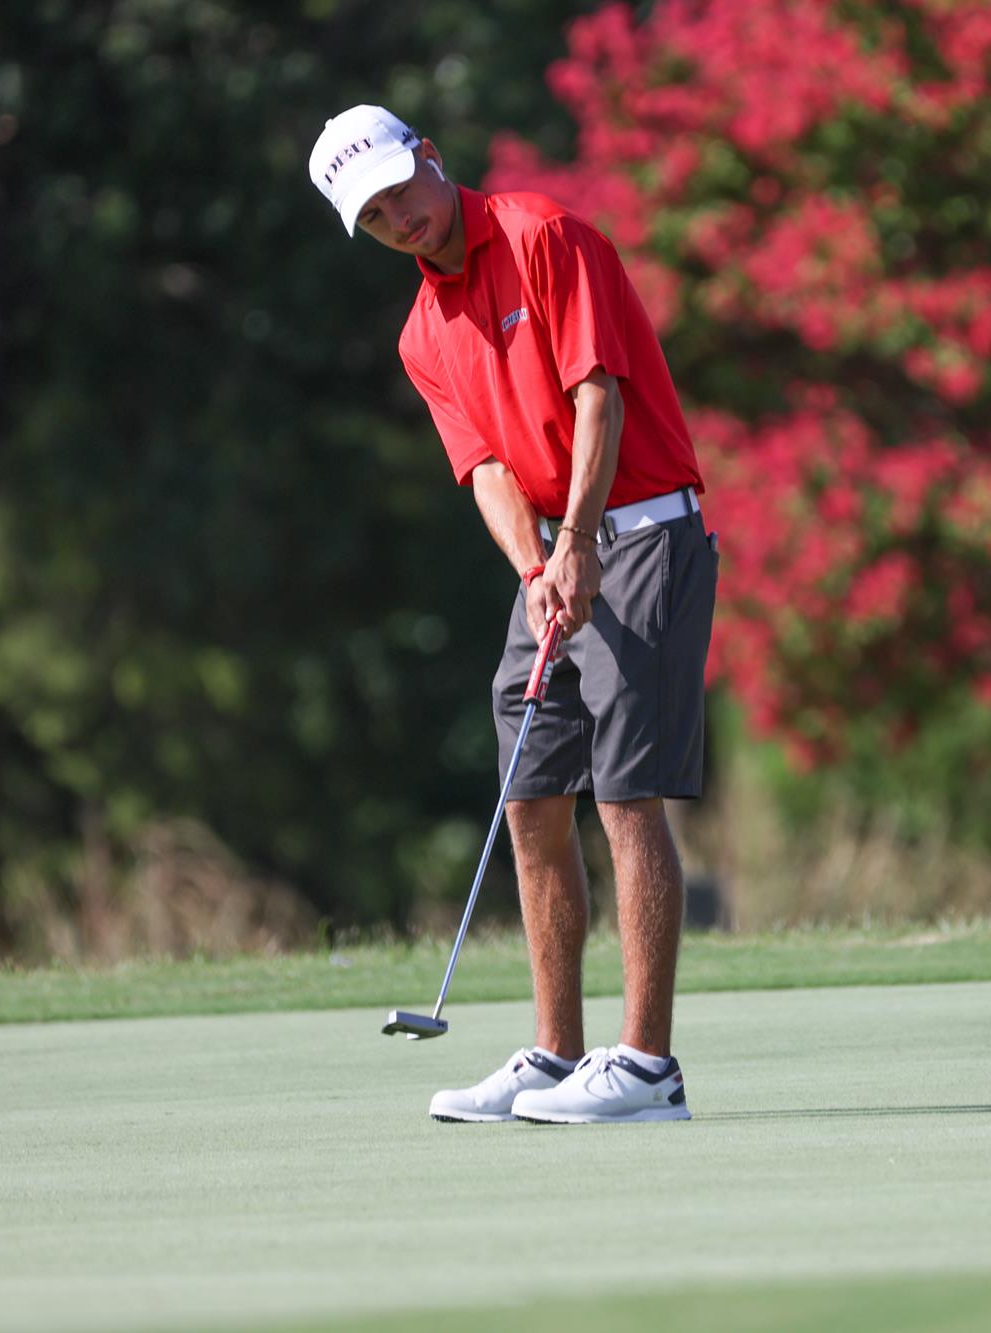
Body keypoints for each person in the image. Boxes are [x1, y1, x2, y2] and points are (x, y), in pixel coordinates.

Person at [308, 105, 716, 1124]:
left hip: (644, 534)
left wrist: (575, 541)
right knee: (532, 799)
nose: (397, 218)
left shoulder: (544, 236)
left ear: (429, 158)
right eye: (372, 215)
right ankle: (555, 1053)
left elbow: (597, 396)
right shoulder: (421, 333)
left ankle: (647, 1065)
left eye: (398, 190)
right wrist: (537, 564)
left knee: (627, 798)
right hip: (553, 559)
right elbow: (486, 468)